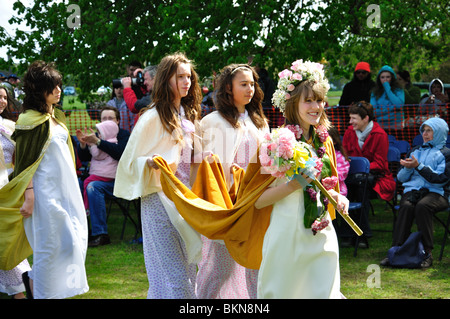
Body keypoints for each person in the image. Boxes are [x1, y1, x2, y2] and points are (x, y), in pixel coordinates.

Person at [254, 59, 348, 299]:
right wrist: (294, 185)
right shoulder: (275, 143)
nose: (316, 106)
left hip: (321, 232)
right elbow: (258, 201)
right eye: (308, 100)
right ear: (292, 103)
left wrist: (338, 197)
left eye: (318, 99)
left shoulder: (325, 141)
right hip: (287, 235)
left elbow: (327, 186)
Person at [113, 52, 202, 299]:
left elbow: (194, 157)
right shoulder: (151, 117)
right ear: (166, 80)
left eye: (189, 77)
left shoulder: (190, 115)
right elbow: (129, 162)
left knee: (190, 272)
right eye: (180, 77)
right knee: (175, 278)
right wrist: (149, 162)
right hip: (159, 201)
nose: (187, 82)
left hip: (186, 199)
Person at [0, 60, 89, 299]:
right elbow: (23, 161)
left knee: (73, 243)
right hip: (42, 193)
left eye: (59, 85)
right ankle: (40, 291)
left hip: (65, 191)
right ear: (39, 89)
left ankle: (34, 283)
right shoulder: (29, 120)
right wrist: (29, 194)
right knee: (49, 248)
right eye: (52, 86)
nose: (58, 90)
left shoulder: (55, 117)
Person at [194, 64, 269, 299]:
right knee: (220, 265)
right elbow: (206, 164)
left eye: (252, 84)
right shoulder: (213, 121)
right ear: (228, 88)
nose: (250, 89)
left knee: (255, 261)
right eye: (243, 84)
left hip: (256, 199)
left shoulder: (259, 121)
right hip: (228, 202)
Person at [381, 118, 450, 268]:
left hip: (437, 192)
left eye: (429, 131)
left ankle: (427, 253)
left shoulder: (446, 154)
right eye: (423, 130)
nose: (424, 134)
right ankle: (396, 252)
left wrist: (418, 166)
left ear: (439, 133)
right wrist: (407, 168)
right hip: (414, 191)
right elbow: (400, 178)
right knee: (406, 206)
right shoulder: (415, 150)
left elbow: (440, 179)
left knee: (423, 206)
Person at [342, 101, 395, 245]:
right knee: (346, 188)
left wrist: (361, 166)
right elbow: (345, 157)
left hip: (377, 177)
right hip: (353, 176)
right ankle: (348, 233)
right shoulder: (349, 132)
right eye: (350, 118)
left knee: (360, 188)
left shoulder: (380, 135)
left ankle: (361, 234)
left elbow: (380, 163)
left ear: (365, 119)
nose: (350, 121)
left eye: (354, 118)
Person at [76, 106, 130, 247]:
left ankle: (100, 234)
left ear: (118, 121)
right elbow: (85, 157)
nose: (107, 121)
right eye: (104, 118)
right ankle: (83, 231)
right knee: (76, 183)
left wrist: (98, 142)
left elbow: (120, 153)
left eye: (110, 118)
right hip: (96, 176)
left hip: (117, 182)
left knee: (93, 187)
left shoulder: (124, 135)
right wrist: (83, 145)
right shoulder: (96, 134)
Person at [0, 86, 31, 299]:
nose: (2, 100)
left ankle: (19, 291)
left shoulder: (11, 127)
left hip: (6, 191)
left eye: (4, 97)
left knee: (7, 242)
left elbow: (21, 160)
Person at [370, 65, 405, 130]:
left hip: (396, 125)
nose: (385, 80)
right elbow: (373, 112)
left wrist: (387, 88)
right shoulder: (374, 92)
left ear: (392, 78)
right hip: (381, 125)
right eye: (382, 77)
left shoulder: (398, 89)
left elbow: (399, 105)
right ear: (379, 79)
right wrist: (392, 108)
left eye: (388, 77)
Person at [328, 126, 350, 196]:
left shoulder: (340, 157)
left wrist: (326, 176)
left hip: (338, 191)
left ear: (334, 141)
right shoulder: (319, 154)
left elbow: (340, 176)